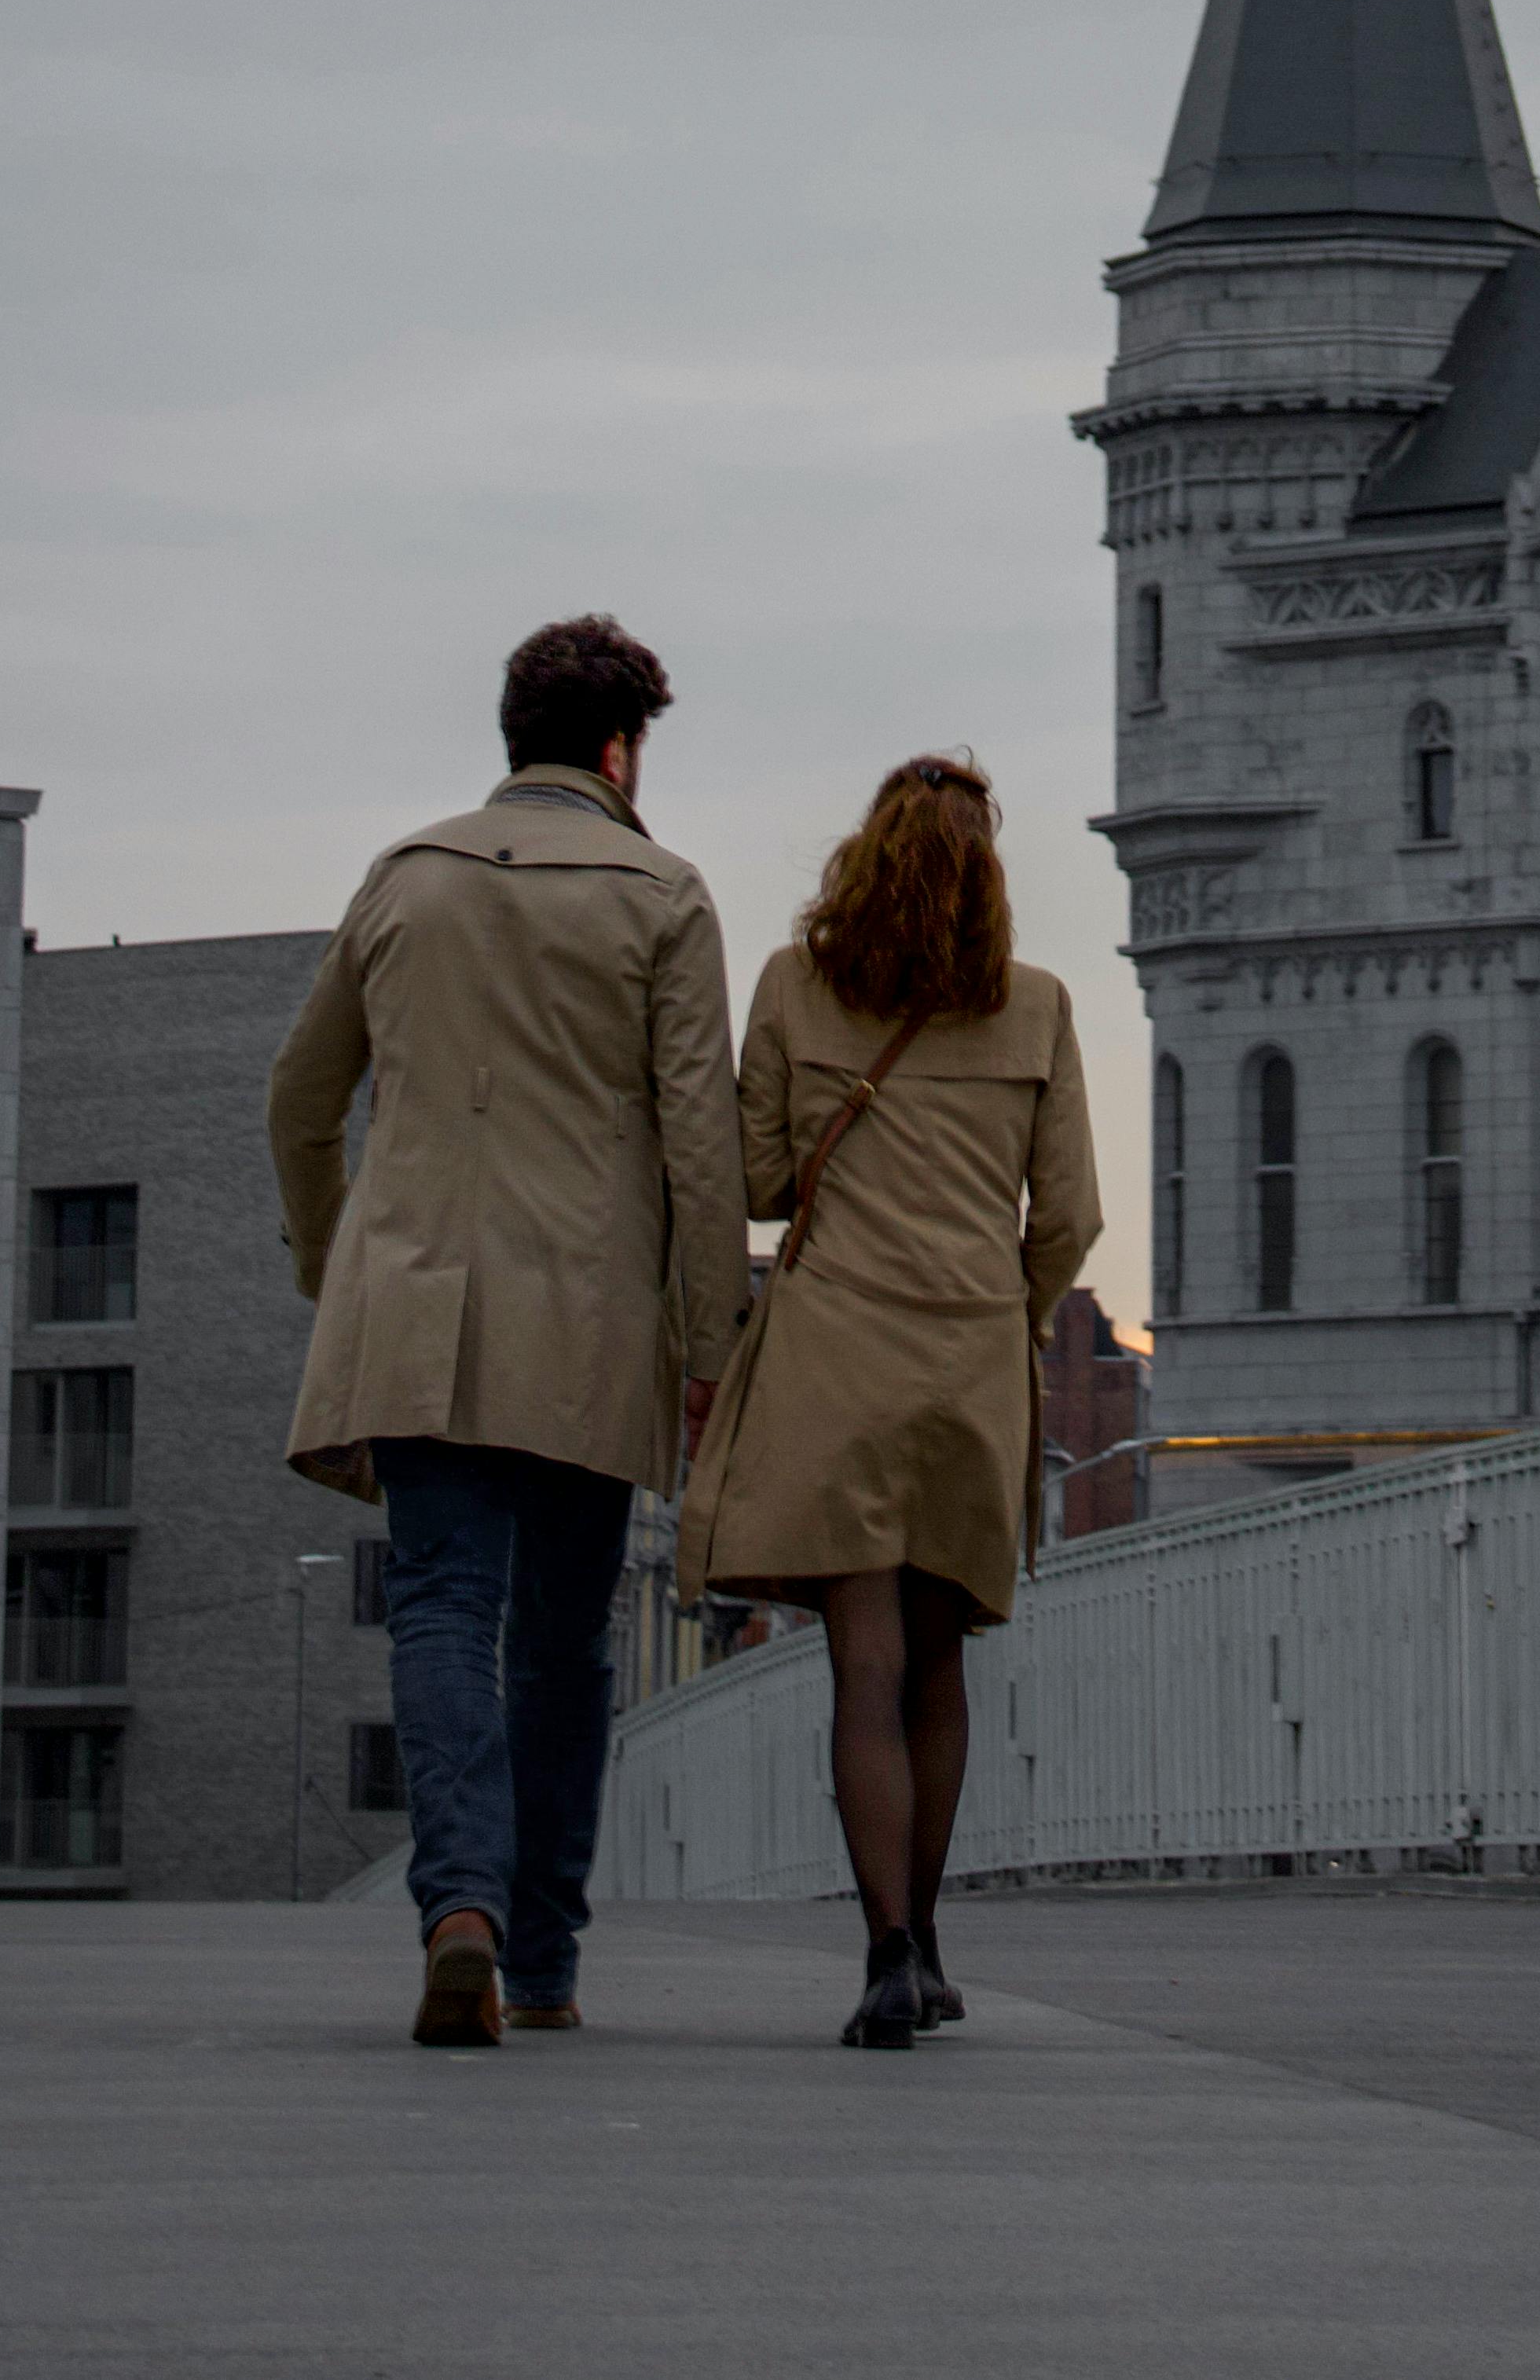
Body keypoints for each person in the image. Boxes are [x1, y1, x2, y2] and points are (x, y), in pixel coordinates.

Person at [269, 613, 746, 2048]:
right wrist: (711, 1345)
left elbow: (298, 1100)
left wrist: (328, 1267)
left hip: (411, 1310)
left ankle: (455, 1909)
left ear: (511, 738)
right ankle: (540, 1960)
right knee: (560, 1643)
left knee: (436, 1606)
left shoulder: (402, 878)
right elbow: (702, 1148)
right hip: (588, 1321)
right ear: (621, 747)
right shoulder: (663, 895)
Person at [676, 752, 1099, 2049]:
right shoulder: (1032, 1008)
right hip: (970, 1357)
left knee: (860, 1662)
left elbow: (751, 1180)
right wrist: (1009, 1314)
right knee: (937, 1665)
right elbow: (1071, 1217)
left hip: (834, 1354)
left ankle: (884, 1951)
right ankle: (931, 1944)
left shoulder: (797, 989)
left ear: (862, 857)